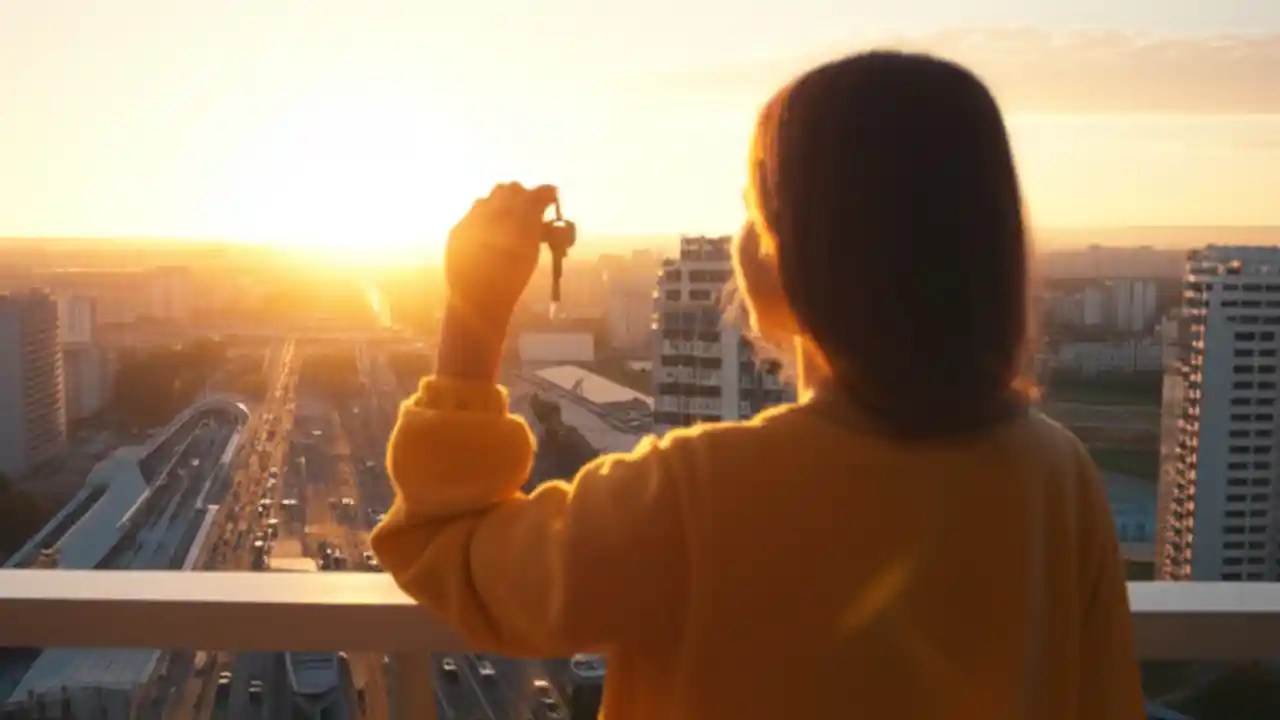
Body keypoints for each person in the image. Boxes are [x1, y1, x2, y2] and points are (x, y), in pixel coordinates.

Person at [371, 51, 1144, 719]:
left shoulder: (695, 493)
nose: (742, 234)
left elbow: (451, 552)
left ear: (800, 252)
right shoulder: (1055, 475)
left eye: (754, 209)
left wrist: (471, 314)